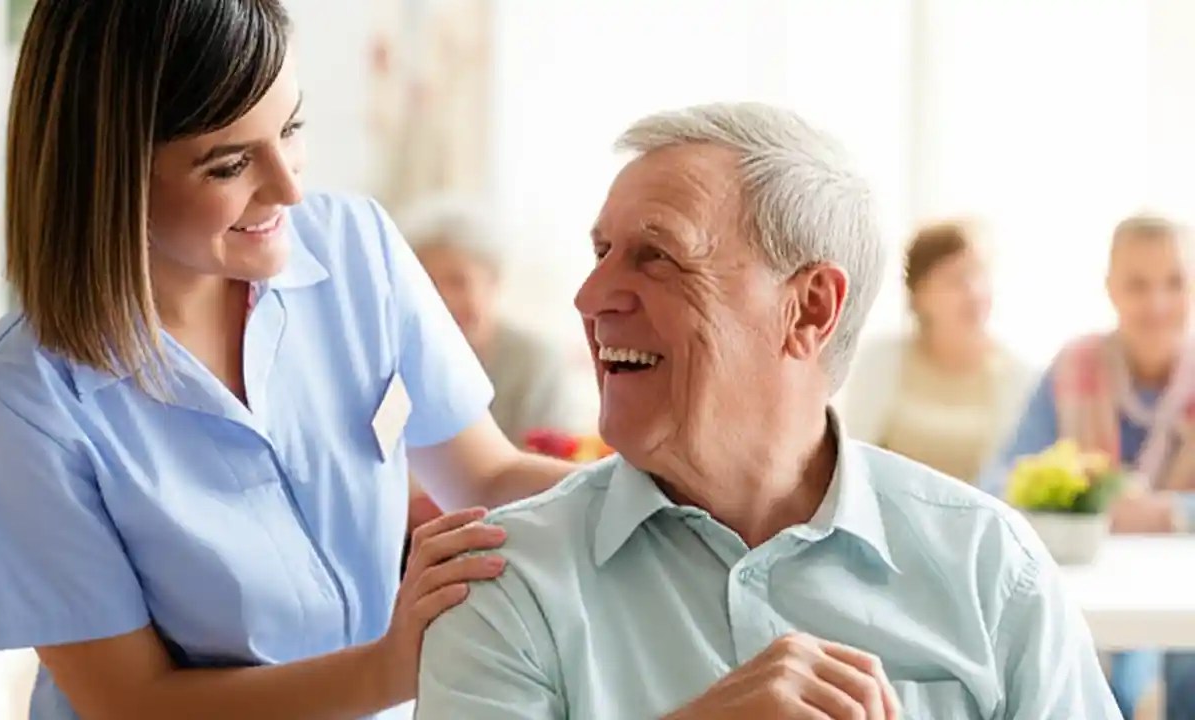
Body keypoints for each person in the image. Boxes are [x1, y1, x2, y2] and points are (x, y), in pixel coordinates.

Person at [0, 2, 571, 719]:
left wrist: (664, 493)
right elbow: (130, 701)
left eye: (291, 128)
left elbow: (486, 475)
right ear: (110, 175)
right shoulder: (21, 400)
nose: (289, 187)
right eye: (231, 163)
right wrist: (391, 668)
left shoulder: (357, 248)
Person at [415, 103, 1121, 720]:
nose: (592, 296)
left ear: (810, 307)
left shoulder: (990, 567)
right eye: (602, 252)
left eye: (655, 256)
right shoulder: (504, 580)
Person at [980, 214, 1195, 720]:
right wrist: (1083, 503)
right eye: (1138, 285)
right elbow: (998, 480)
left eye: (1175, 283)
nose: (1157, 303)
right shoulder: (1075, 365)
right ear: (1110, 289)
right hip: (1094, 582)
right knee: (1098, 678)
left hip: (1185, 584)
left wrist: (1167, 514)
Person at [842, 220, 1034, 483]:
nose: (975, 292)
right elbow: (851, 459)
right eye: (957, 280)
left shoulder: (1017, 376)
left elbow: (1014, 482)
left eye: (980, 275)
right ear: (920, 294)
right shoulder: (880, 361)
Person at [400, 196, 589, 445]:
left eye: (458, 282)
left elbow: (553, 458)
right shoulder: (397, 359)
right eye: (429, 283)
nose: (443, 299)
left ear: (493, 281)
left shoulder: (534, 360)